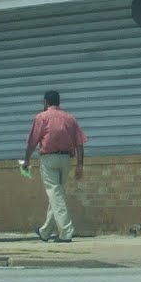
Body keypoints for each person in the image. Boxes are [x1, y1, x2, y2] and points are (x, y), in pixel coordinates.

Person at [21, 89, 86, 243]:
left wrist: (26, 160)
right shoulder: (70, 118)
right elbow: (80, 144)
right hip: (65, 159)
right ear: (59, 102)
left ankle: (66, 231)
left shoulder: (41, 117)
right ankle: (45, 232)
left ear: (45, 102)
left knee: (55, 194)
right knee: (57, 194)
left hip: (49, 159)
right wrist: (80, 165)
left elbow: (32, 142)